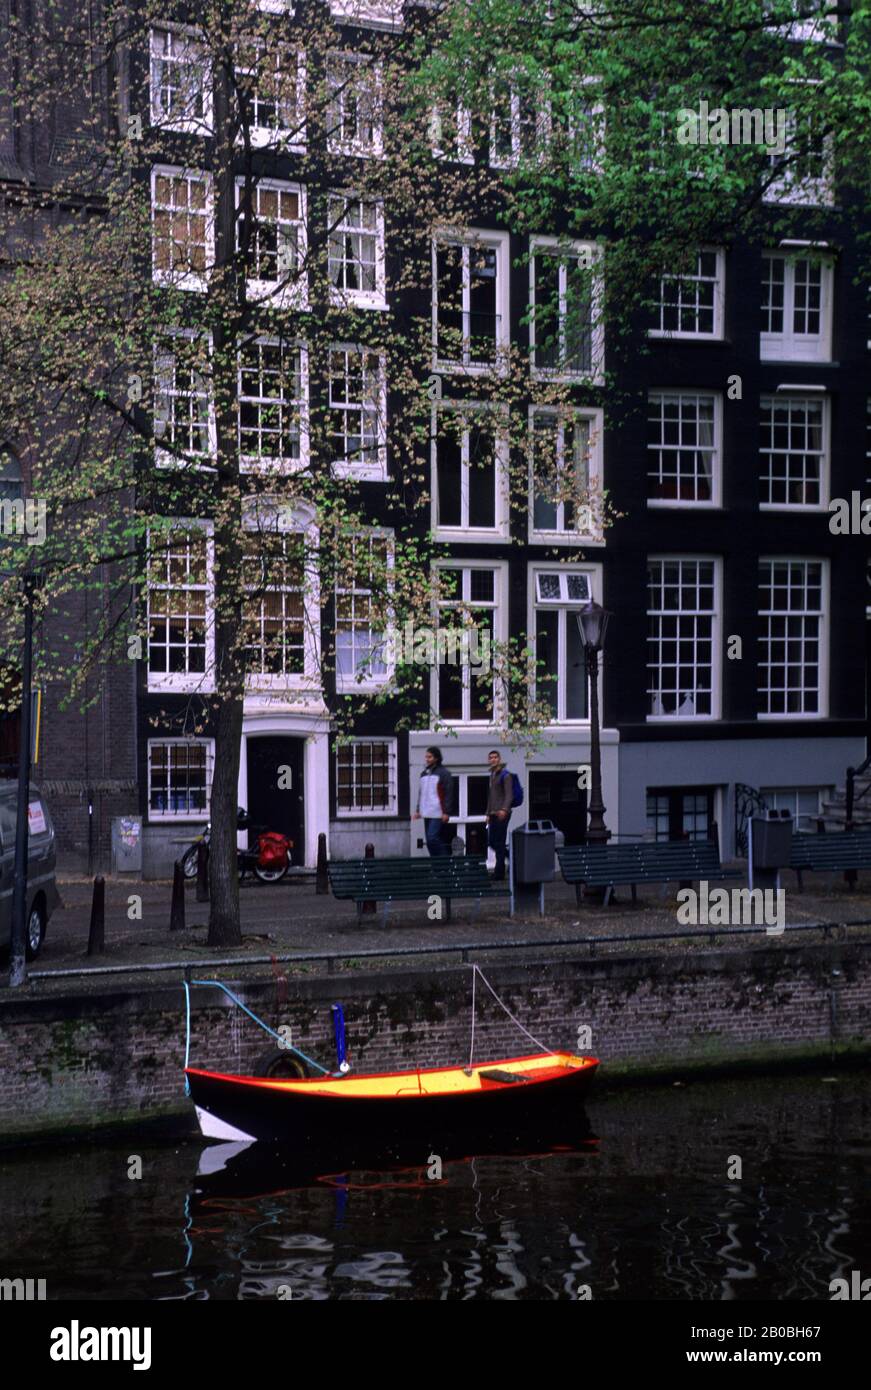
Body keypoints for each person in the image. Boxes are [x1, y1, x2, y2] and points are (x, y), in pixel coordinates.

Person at [412, 746, 453, 857]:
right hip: (426, 812)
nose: (427, 759)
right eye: (426, 757)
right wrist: (418, 810)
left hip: (438, 812)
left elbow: (448, 793)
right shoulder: (424, 774)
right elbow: (422, 793)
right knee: (430, 842)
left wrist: (446, 812)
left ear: (436, 758)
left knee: (432, 837)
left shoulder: (444, 773)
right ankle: (437, 867)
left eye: (429, 757)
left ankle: (446, 860)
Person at [486, 749, 514, 880]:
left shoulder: (505, 775)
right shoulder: (492, 775)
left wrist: (504, 809)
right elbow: (491, 797)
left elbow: (509, 794)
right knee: (493, 842)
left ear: (499, 759)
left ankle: (499, 873)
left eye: (495, 757)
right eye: (491, 758)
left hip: (502, 813)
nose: (493, 760)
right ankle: (514, 860)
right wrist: (487, 813)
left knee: (499, 842)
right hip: (492, 814)